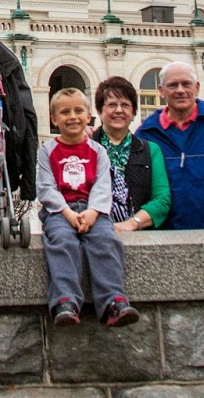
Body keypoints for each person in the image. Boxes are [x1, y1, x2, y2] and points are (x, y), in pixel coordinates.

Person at [37, 88, 138, 328]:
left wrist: (93, 212)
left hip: (94, 210)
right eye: (64, 112)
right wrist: (68, 214)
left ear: (88, 116)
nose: (72, 116)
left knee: (105, 241)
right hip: (60, 211)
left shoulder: (97, 151)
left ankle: (113, 300)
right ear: (54, 119)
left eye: (78, 110)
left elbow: (104, 186)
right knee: (62, 242)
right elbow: (46, 188)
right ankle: (65, 300)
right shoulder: (47, 151)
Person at [135, 63, 204, 230]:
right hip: (163, 237)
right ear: (161, 90)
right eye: (173, 85)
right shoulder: (146, 134)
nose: (180, 90)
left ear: (197, 87)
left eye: (186, 84)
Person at [90, 76, 172, 233]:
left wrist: (132, 223)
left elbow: (162, 199)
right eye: (112, 105)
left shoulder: (151, 150)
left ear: (134, 112)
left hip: (138, 236)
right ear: (100, 111)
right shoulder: (86, 147)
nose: (119, 110)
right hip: (93, 235)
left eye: (125, 105)